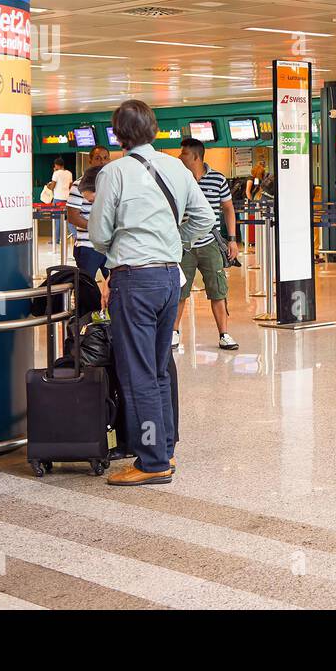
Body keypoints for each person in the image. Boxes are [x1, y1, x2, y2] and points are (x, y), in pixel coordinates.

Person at [89, 100, 214, 486]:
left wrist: (119, 248)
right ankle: (164, 449)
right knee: (158, 369)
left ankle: (152, 462)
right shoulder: (176, 167)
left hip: (135, 280)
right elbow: (205, 218)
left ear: (118, 135)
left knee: (138, 373)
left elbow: (97, 234)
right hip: (168, 279)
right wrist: (176, 245)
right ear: (155, 130)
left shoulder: (115, 173)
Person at [174, 138, 239, 351]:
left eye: (183, 153)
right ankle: (174, 333)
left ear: (195, 156)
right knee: (179, 290)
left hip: (210, 243)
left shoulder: (217, 179)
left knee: (218, 290)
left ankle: (224, 334)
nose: (179, 157)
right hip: (184, 246)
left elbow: (228, 208)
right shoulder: (179, 180)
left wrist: (232, 239)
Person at [66, 165, 108, 283]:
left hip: (112, 248)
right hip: (89, 246)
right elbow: (73, 216)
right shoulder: (79, 184)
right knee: (86, 287)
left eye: (92, 201)